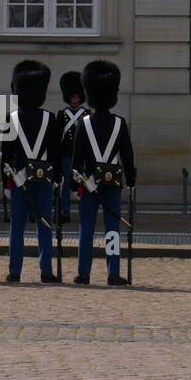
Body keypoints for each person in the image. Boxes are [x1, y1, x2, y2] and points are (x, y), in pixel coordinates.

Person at [71, 60, 136, 287]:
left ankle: (83, 272)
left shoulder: (83, 123)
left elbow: (76, 160)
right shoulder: (120, 123)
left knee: (86, 228)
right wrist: (131, 180)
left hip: (89, 183)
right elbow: (128, 156)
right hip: (113, 183)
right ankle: (113, 272)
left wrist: (74, 183)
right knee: (112, 230)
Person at [2, 60, 60, 283]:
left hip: (19, 181)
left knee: (17, 229)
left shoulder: (11, 119)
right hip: (43, 180)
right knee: (44, 227)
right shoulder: (50, 118)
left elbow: (6, 156)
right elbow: (55, 154)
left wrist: (7, 183)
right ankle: (46, 271)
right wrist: (57, 180)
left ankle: (14, 271)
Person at [55, 71, 89, 224]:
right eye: (72, 97)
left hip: (81, 155)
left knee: (81, 184)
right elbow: (57, 135)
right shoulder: (62, 114)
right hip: (67, 153)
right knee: (65, 185)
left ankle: (84, 211)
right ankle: (65, 212)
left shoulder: (87, 114)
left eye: (77, 97)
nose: (74, 100)